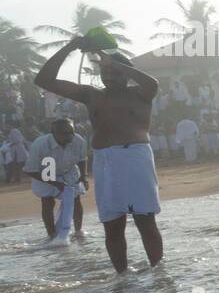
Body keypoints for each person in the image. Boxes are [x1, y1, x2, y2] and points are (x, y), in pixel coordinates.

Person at [34, 40, 163, 272]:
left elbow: (152, 82)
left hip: (135, 158)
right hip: (105, 161)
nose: (109, 77)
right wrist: (70, 47)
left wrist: (117, 63)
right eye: (105, 71)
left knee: (145, 221)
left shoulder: (142, 93)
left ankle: (159, 274)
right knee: (112, 225)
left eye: (114, 71)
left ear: (125, 72)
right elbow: (43, 80)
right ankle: (122, 278)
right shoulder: (91, 95)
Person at [25, 118, 87, 242]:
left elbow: (82, 159)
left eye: (72, 132)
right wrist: (55, 183)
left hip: (69, 170)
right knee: (48, 202)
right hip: (45, 171)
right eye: (65, 133)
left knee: (75, 199)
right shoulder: (40, 144)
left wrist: (83, 177)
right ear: (54, 133)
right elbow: (30, 170)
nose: (70, 136)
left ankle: (78, 231)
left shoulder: (78, 140)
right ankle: (51, 234)